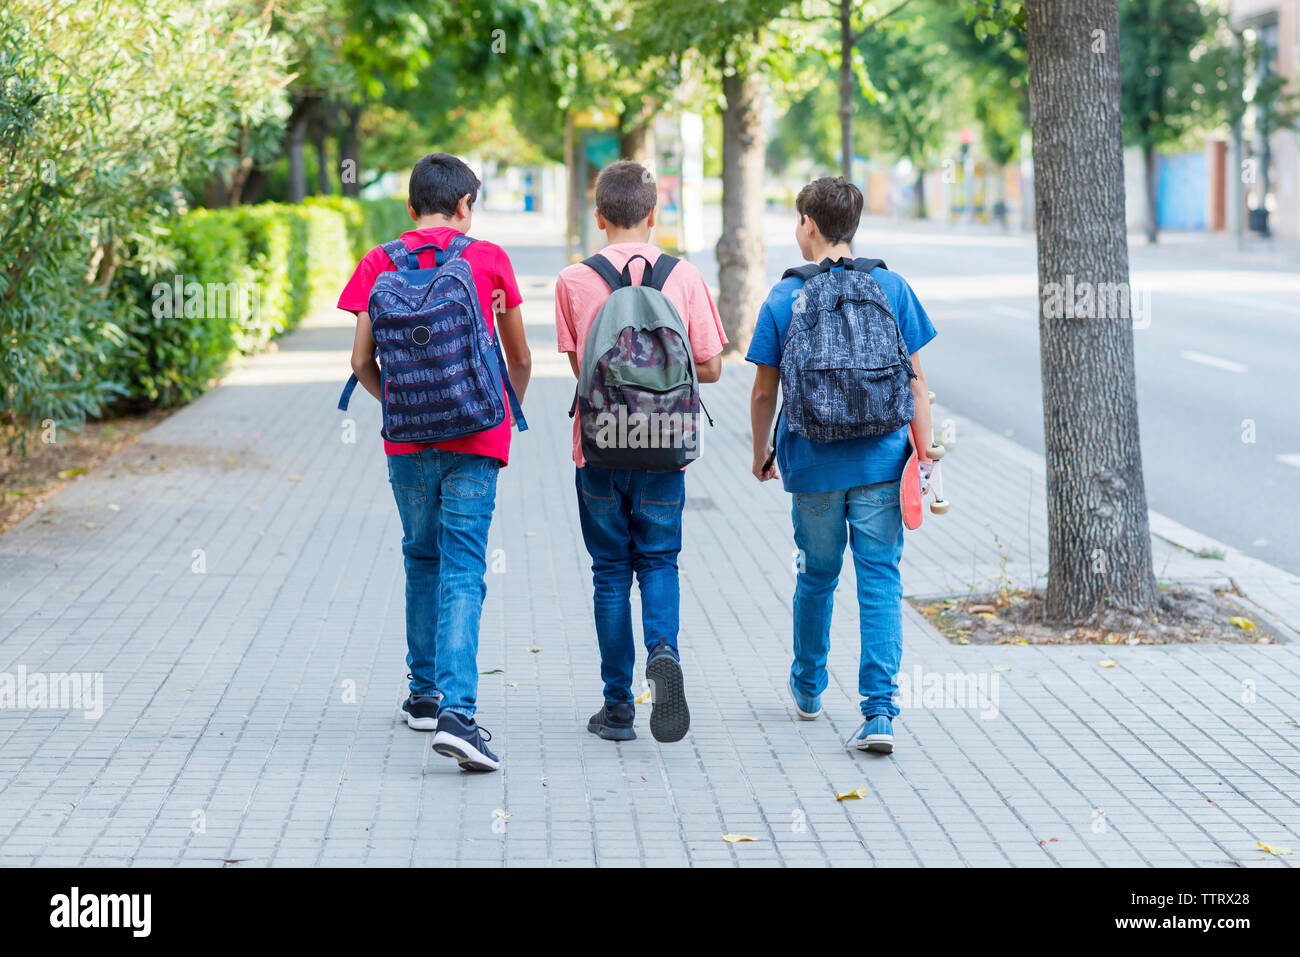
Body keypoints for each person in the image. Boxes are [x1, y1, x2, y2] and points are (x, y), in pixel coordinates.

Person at [337, 152, 531, 772]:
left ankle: (423, 696)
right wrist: (497, 412)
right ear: (466, 205)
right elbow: (520, 357)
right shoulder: (489, 260)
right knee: (464, 569)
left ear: (410, 205)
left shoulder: (378, 262)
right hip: (477, 439)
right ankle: (459, 715)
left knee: (421, 556)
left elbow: (360, 363)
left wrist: (401, 404)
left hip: (406, 442)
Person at [746, 176, 937, 754]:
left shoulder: (784, 297)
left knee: (817, 574)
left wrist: (762, 452)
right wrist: (924, 459)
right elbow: (919, 385)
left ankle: (808, 688)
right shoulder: (893, 286)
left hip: (813, 465)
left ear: (808, 224)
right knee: (880, 580)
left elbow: (761, 393)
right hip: (882, 463)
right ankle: (878, 713)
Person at [554, 160, 727, 744]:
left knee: (609, 574)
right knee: (658, 560)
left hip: (600, 449)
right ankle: (664, 651)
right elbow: (711, 367)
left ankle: (617, 708)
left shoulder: (573, 280)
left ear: (597, 215)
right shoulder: (684, 276)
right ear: (655, 216)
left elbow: (580, 366)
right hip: (664, 446)